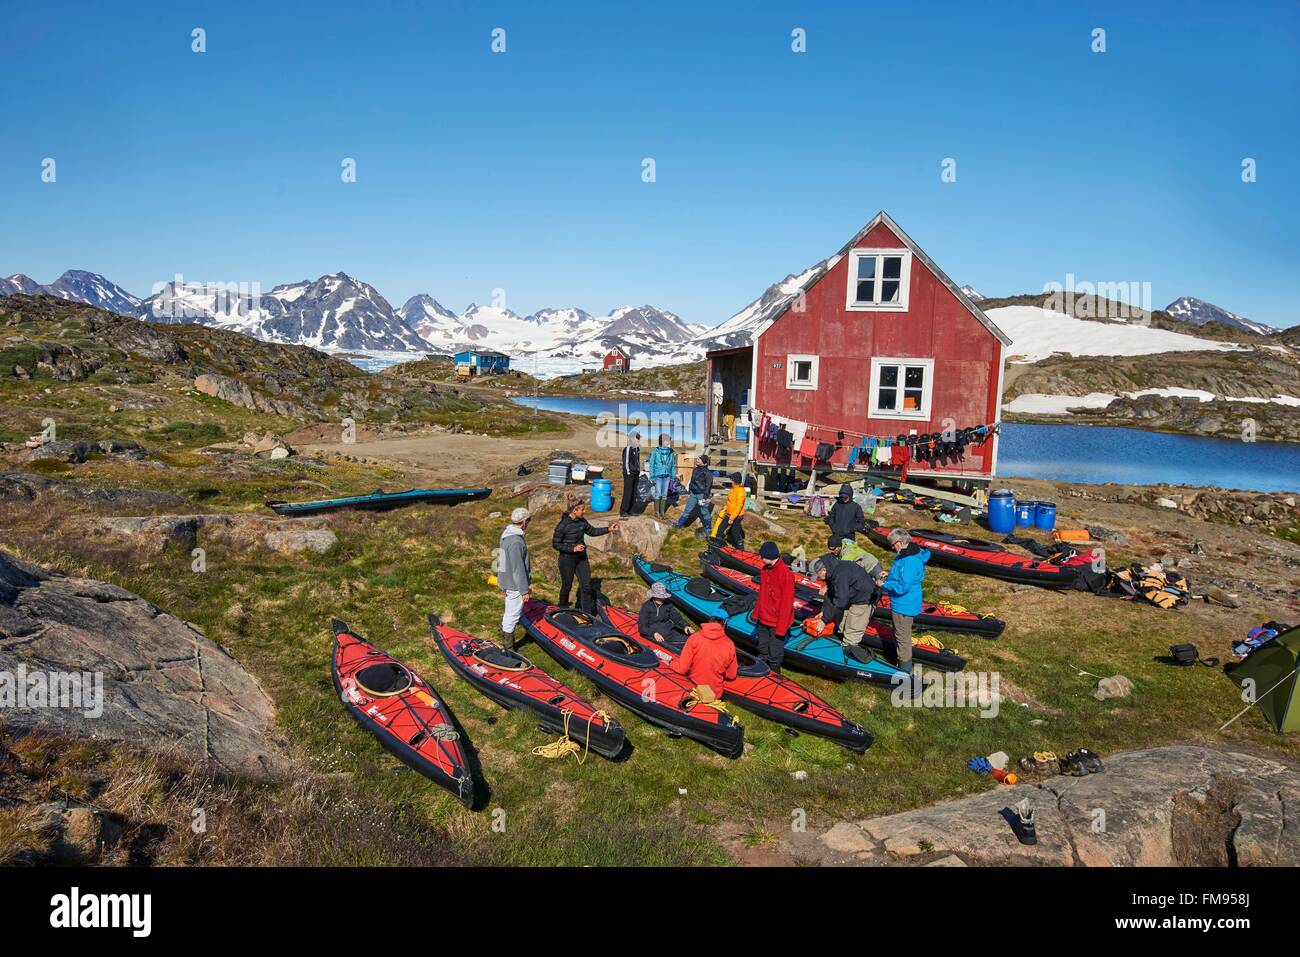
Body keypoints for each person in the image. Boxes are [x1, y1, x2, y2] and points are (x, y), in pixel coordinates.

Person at [879, 528, 930, 687]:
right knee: (900, 634)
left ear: (900, 543)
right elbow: (901, 576)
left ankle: (905, 671)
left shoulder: (909, 560)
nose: (892, 548)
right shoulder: (907, 554)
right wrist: (890, 575)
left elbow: (902, 586)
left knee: (902, 638)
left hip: (904, 605)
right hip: (903, 603)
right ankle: (902, 665)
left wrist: (884, 584)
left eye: (892, 545)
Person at [807, 551, 877, 664]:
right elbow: (831, 594)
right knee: (841, 624)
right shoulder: (831, 571)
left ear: (823, 570)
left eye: (818, 576)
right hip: (852, 594)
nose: (818, 579)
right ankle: (843, 644)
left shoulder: (839, 574)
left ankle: (850, 656)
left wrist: (824, 620)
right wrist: (823, 612)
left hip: (864, 598)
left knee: (852, 630)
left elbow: (840, 600)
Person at [551, 495, 619, 612]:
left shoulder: (582, 521)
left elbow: (592, 531)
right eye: (582, 509)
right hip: (567, 559)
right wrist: (572, 548)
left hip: (581, 558)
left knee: (586, 586)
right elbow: (555, 544)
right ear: (574, 510)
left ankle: (587, 613)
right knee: (567, 586)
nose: (584, 511)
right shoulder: (563, 525)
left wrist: (608, 529)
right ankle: (562, 608)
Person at [669, 620, 737, 701]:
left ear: (709, 621)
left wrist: (671, 663)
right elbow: (731, 675)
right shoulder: (730, 644)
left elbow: (682, 668)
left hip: (693, 689)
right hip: (715, 693)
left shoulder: (695, 638)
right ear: (724, 624)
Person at [754, 540, 795, 672]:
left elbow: (787, 604)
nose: (760, 558)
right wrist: (757, 613)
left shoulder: (786, 574)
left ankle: (775, 677)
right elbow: (762, 594)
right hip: (764, 617)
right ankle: (760, 672)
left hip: (777, 621)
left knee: (775, 654)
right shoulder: (764, 570)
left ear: (768, 556)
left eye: (762, 556)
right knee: (762, 649)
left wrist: (781, 628)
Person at [497, 507, 532, 647]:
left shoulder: (506, 534)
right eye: (528, 520)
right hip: (514, 584)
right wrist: (524, 590)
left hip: (506, 580)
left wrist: (501, 580)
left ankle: (505, 633)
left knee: (509, 611)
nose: (529, 523)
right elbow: (518, 568)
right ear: (523, 522)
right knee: (513, 615)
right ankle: (509, 648)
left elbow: (500, 559)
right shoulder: (516, 541)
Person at [674, 453, 714, 534]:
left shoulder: (708, 473)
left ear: (703, 461)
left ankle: (708, 528)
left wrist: (705, 498)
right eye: (697, 459)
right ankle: (678, 525)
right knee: (687, 510)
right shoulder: (695, 469)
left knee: (704, 512)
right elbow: (692, 481)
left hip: (702, 495)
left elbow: (708, 486)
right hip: (693, 494)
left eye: (699, 459)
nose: (697, 460)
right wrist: (690, 489)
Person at [709, 472, 747, 549]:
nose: (731, 481)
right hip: (729, 513)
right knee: (720, 528)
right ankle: (718, 545)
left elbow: (738, 507)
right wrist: (725, 509)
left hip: (737, 516)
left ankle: (741, 548)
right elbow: (730, 502)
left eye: (732, 479)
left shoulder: (740, 492)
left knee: (734, 532)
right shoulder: (733, 489)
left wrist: (731, 518)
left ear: (735, 480)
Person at [647, 433, 678, 519]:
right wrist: (652, 476)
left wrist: (673, 476)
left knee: (664, 494)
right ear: (662, 441)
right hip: (658, 475)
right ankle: (657, 512)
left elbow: (673, 465)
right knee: (658, 494)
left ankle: (662, 512)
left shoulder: (671, 452)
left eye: (669, 441)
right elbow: (652, 464)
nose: (668, 442)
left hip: (667, 476)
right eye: (667, 441)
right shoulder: (655, 451)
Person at [618, 430, 642, 517]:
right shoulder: (628, 448)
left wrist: (638, 470)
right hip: (629, 474)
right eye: (637, 439)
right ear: (632, 439)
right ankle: (623, 510)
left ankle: (631, 510)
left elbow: (637, 461)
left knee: (634, 492)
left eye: (639, 439)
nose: (638, 441)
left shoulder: (637, 449)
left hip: (636, 474)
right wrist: (628, 472)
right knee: (628, 492)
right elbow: (626, 462)